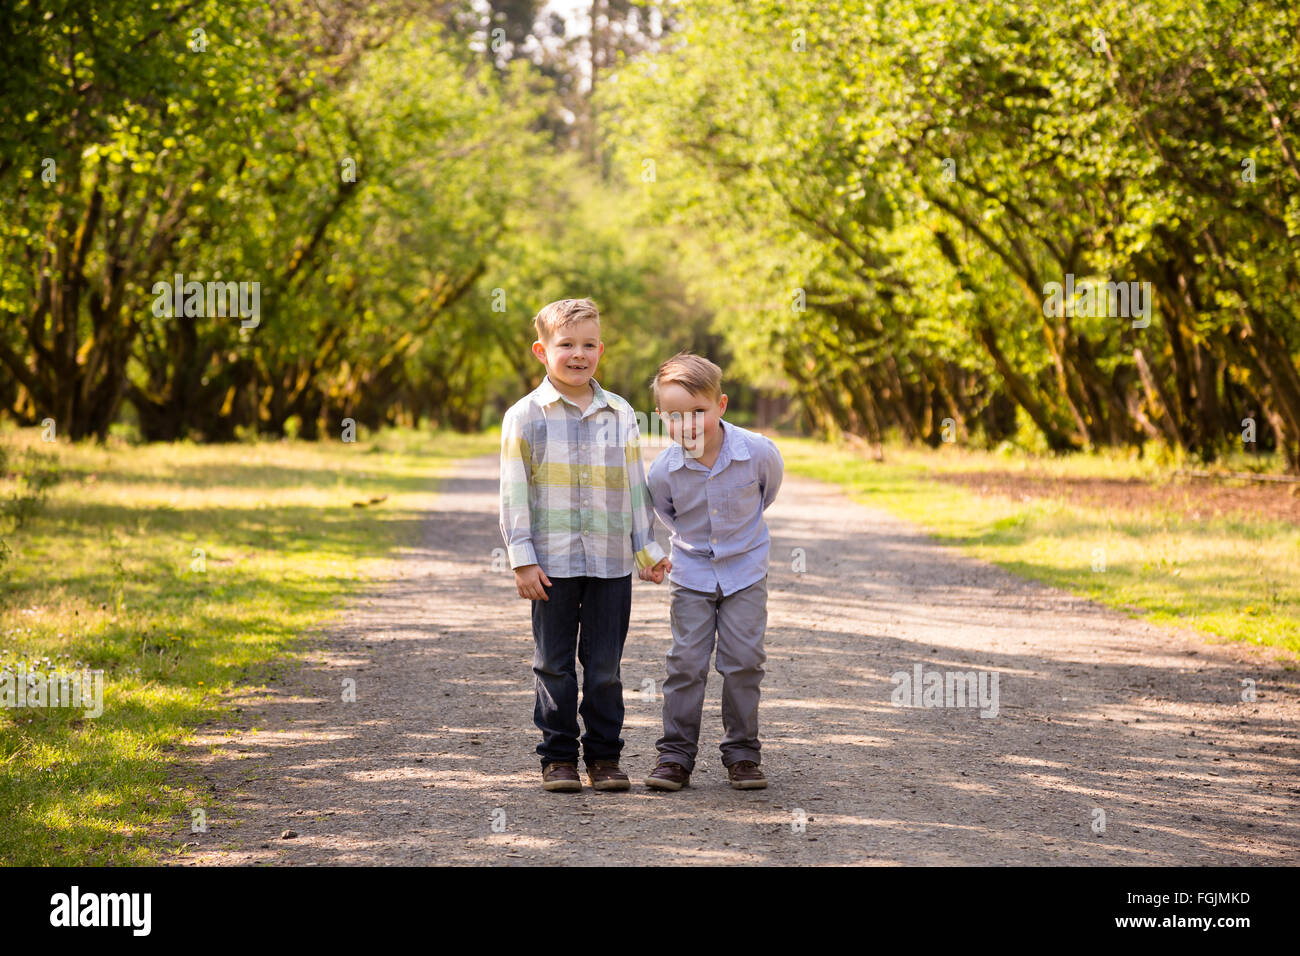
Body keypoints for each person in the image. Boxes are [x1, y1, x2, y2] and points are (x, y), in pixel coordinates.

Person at [498, 298, 671, 792]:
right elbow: (513, 492)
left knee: (604, 669)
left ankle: (604, 758)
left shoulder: (620, 413)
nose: (579, 354)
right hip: (551, 564)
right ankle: (557, 759)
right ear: (541, 350)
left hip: (612, 563)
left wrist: (647, 551)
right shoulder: (524, 416)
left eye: (588, 345)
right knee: (552, 663)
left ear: (601, 349)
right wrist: (522, 560)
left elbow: (635, 489)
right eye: (566, 344)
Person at [642, 352, 783, 791]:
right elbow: (667, 516)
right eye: (674, 416)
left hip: (745, 572)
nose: (688, 424)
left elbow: (767, 493)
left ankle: (742, 753)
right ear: (661, 417)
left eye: (698, 412)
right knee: (685, 663)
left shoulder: (756, 452)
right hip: (692, 577)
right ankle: (676, 755)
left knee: (743, 661)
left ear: (720, 406)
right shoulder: (664, 470)